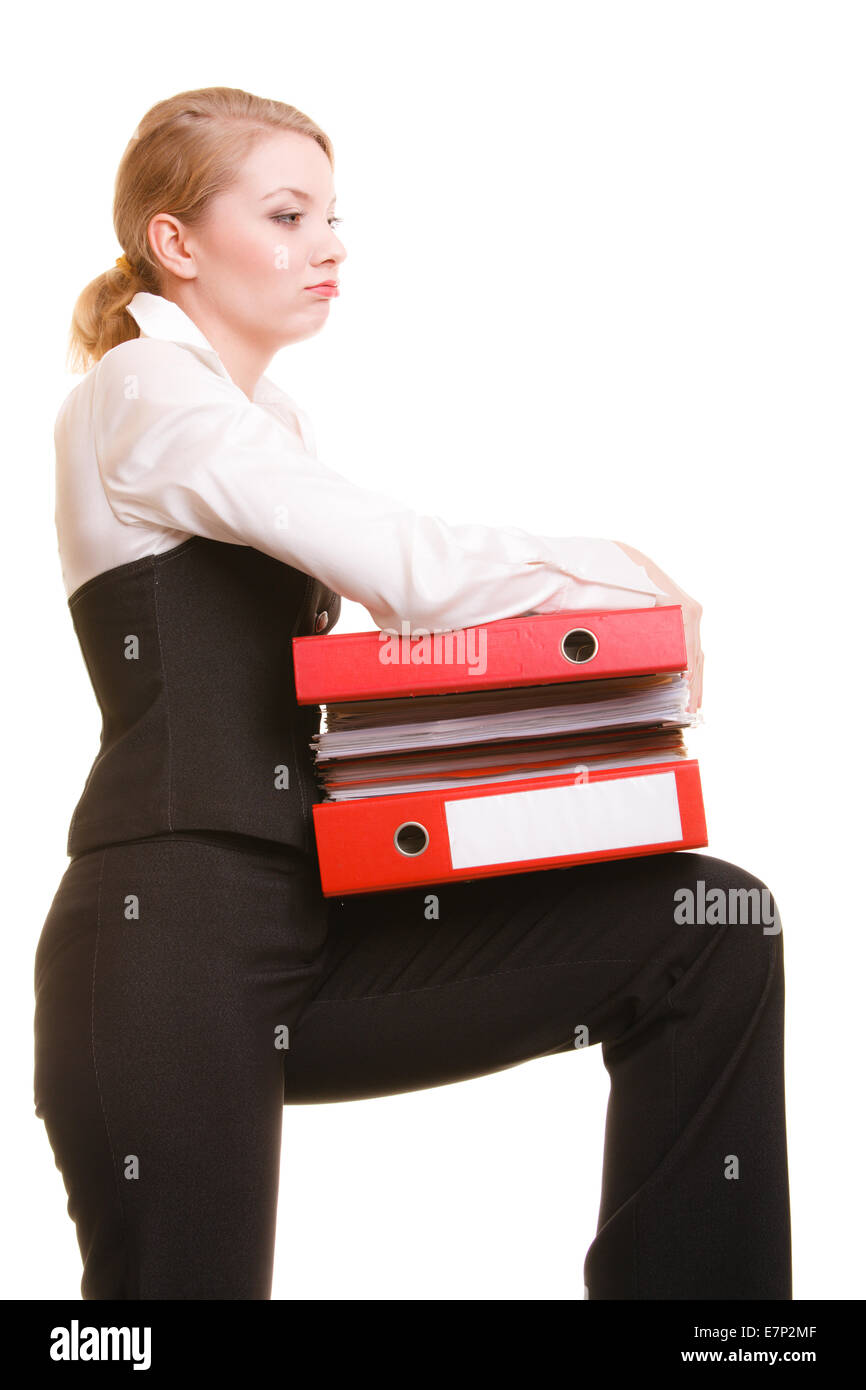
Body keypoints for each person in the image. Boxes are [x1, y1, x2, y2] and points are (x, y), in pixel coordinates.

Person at [33, 85, 791, 1300]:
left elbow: (395, 627)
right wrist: (611, 576)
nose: (327, 245)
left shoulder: (261, 420)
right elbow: (407, 568)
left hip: (316, 920)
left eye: (333, 216)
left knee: (705, 930)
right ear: (175, 245)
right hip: (168, 941)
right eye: (286, 215)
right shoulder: (138, 392)